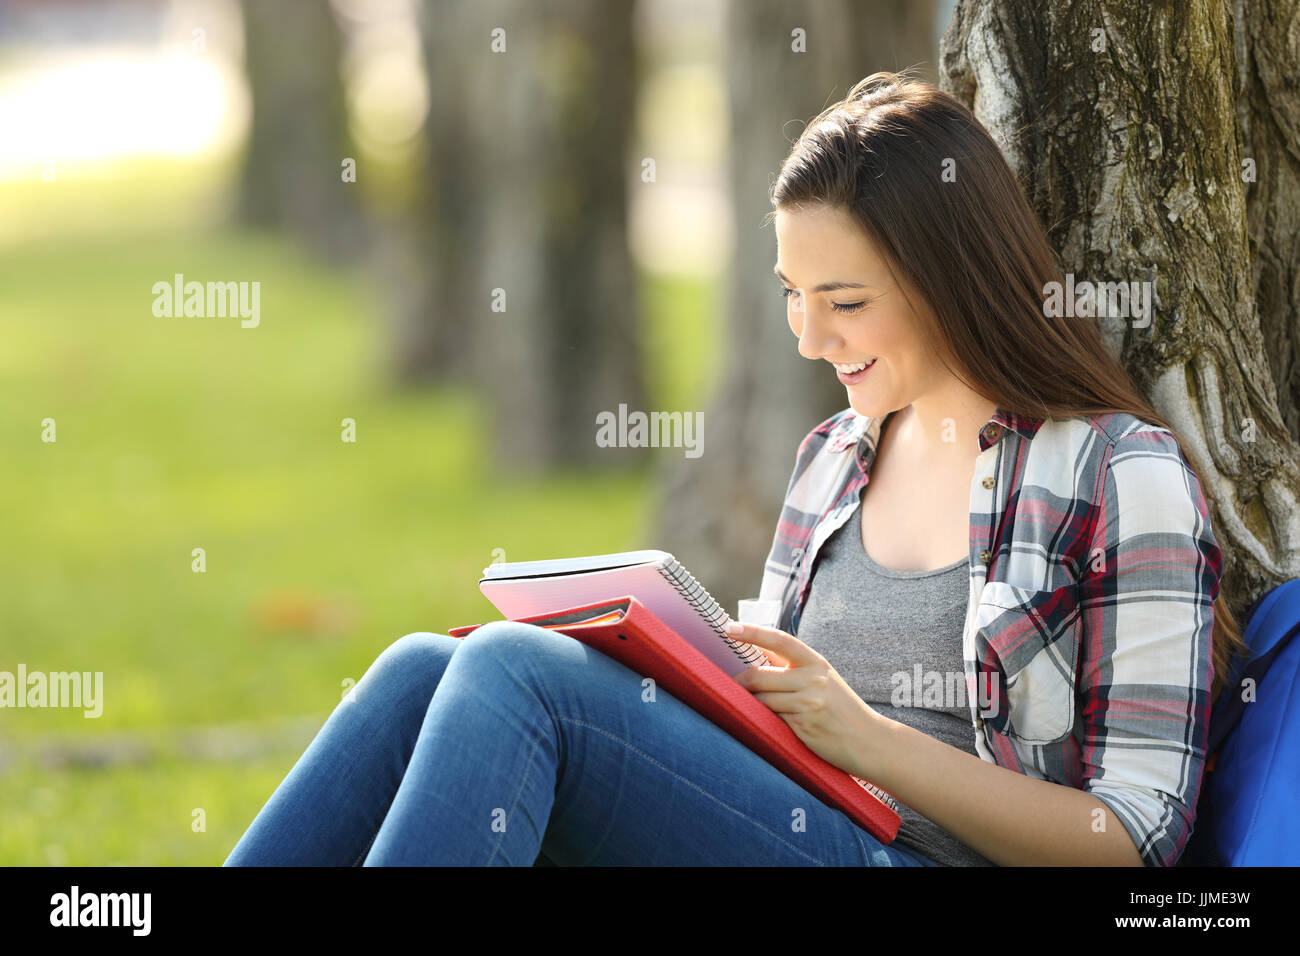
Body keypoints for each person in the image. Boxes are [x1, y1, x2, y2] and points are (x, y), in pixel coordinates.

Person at [223, 71, 1243, 867]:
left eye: (844, 302)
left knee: (510, 674)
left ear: (952, 281)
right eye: (792, 294)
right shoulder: (834, 463)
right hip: (800, 831)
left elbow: (1134, 836)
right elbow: (771, 748)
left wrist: (872, 741)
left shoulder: (1118, 473)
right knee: (418, 668)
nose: (809, 337)